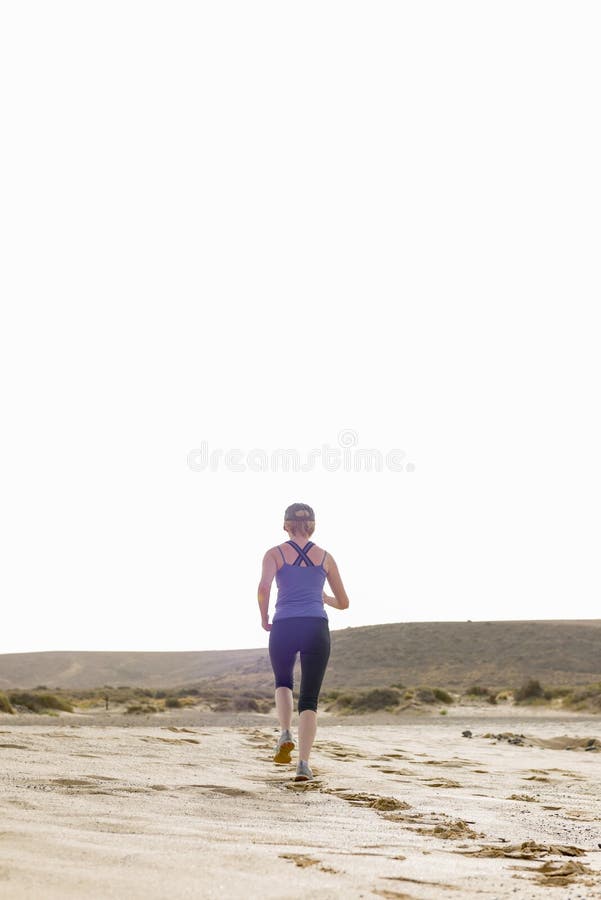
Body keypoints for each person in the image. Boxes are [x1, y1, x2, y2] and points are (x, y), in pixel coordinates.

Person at [257, 502, 350, 781]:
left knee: (283, 681)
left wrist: (264, 617)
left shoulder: (274, 554)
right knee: (309, 699)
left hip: (284, 625)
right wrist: (323, 598)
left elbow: (263, 588)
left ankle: (285, 732)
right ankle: (303, 765)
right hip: (315, 626)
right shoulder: (326, 558)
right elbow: (344, 602)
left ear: (286, 525)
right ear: (312, 526)